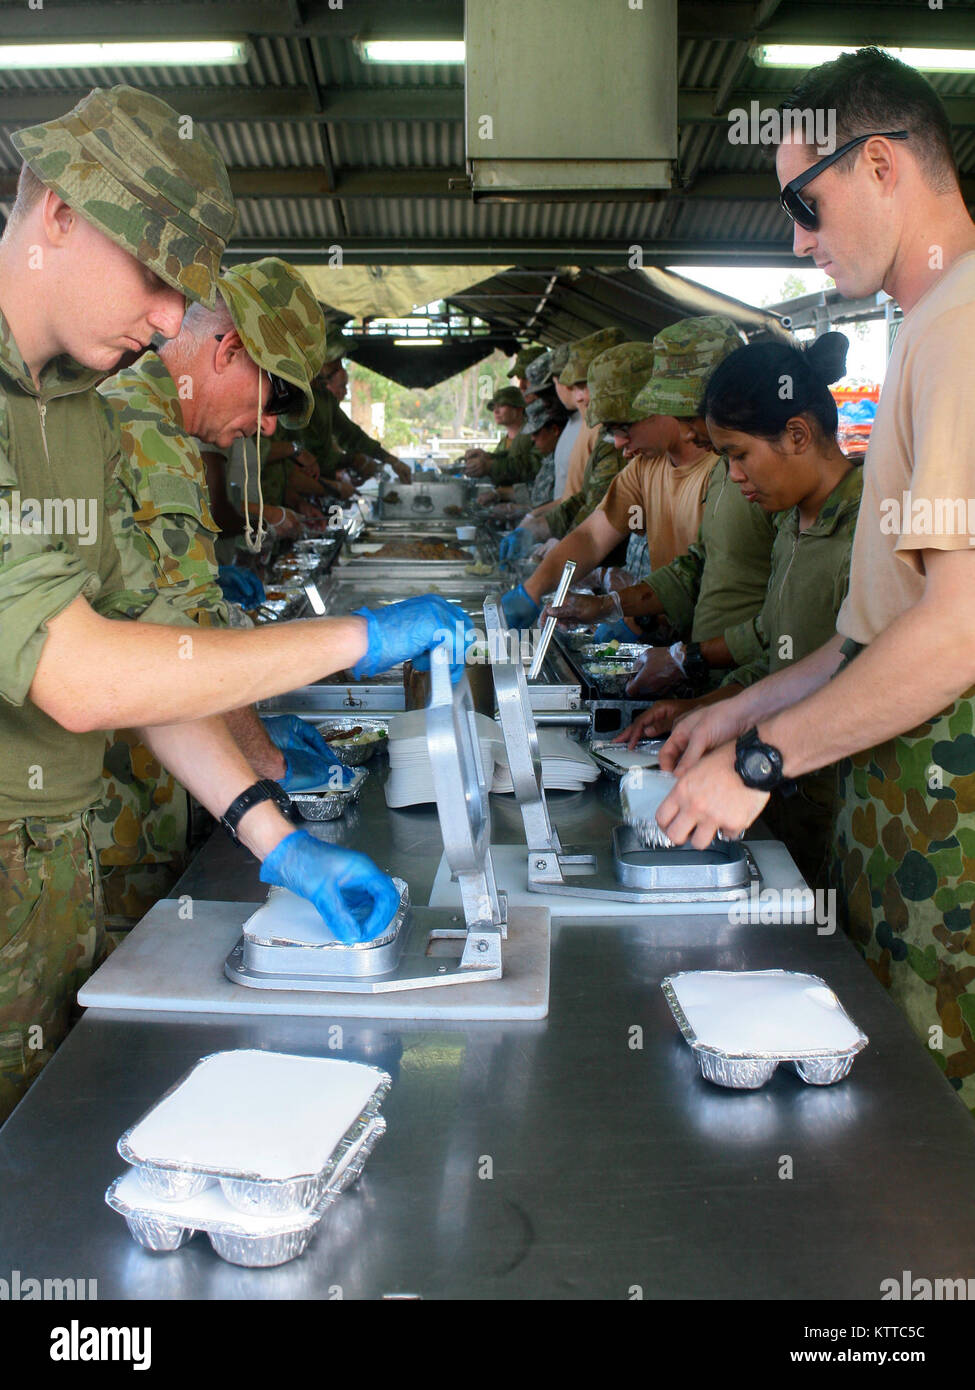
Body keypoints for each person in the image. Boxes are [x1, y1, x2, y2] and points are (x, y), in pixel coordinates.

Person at [0, 86, 472, 1123]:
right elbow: (79, 675)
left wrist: (275, 838)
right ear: (62, 212)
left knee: (51, 1141)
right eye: (157, 274)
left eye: (186, 290)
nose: (172, 317)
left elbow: (154, 656)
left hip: (54, 873)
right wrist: (352, 637)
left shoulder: (71, 411)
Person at [654, 48, 975, 1113]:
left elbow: (958, 632)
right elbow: (870, 633)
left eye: (808, 200)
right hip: (899, 795)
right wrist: (738, 710)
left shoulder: (966, 325)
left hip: (951, 804)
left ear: (881, 164)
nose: (797, 236)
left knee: (934, 1122)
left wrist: (758, 760)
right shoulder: (925, 326)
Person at [94, 257, 354, 929]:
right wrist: (263, 760)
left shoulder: (143, 421)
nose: (269, 428)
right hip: (126, 799)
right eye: (273, 399)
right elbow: (183, 642)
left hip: (156, 778)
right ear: (229, 350)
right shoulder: (144, 436)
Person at [618, 332, 860, 886]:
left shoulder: (868, 526)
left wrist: (751, 751)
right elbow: (781, 662)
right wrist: (706, 709)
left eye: (739, 455)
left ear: (797, 434)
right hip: (782, 802)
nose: (733, 475)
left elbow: (864, 672)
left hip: (844, 813)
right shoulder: (792, 528)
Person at [501, 317, 743, 632]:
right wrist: (532, 591)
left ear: (659, 407)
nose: (618, 444)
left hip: (717, 647)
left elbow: (716, 577)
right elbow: (590, 538)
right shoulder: (645, 467)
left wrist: (615, 607)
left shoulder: (730, 472)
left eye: (624, 428)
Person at [499, 341, 637, 566]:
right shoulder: (581, 424)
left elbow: (600, 504)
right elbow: (582, 497)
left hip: (598, 556)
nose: (579, 397)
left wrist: (560, 541)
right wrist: (539, 524)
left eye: (581, 386)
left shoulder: (606, 436)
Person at [463, 386, 540, 485]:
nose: (496, 411)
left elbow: (534, 465)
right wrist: (486, 456)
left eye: (502, 405)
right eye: (494, 407)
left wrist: (490, 466)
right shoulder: (504, 442)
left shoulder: (535, 434)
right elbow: (508, 458)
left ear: (519, 408)